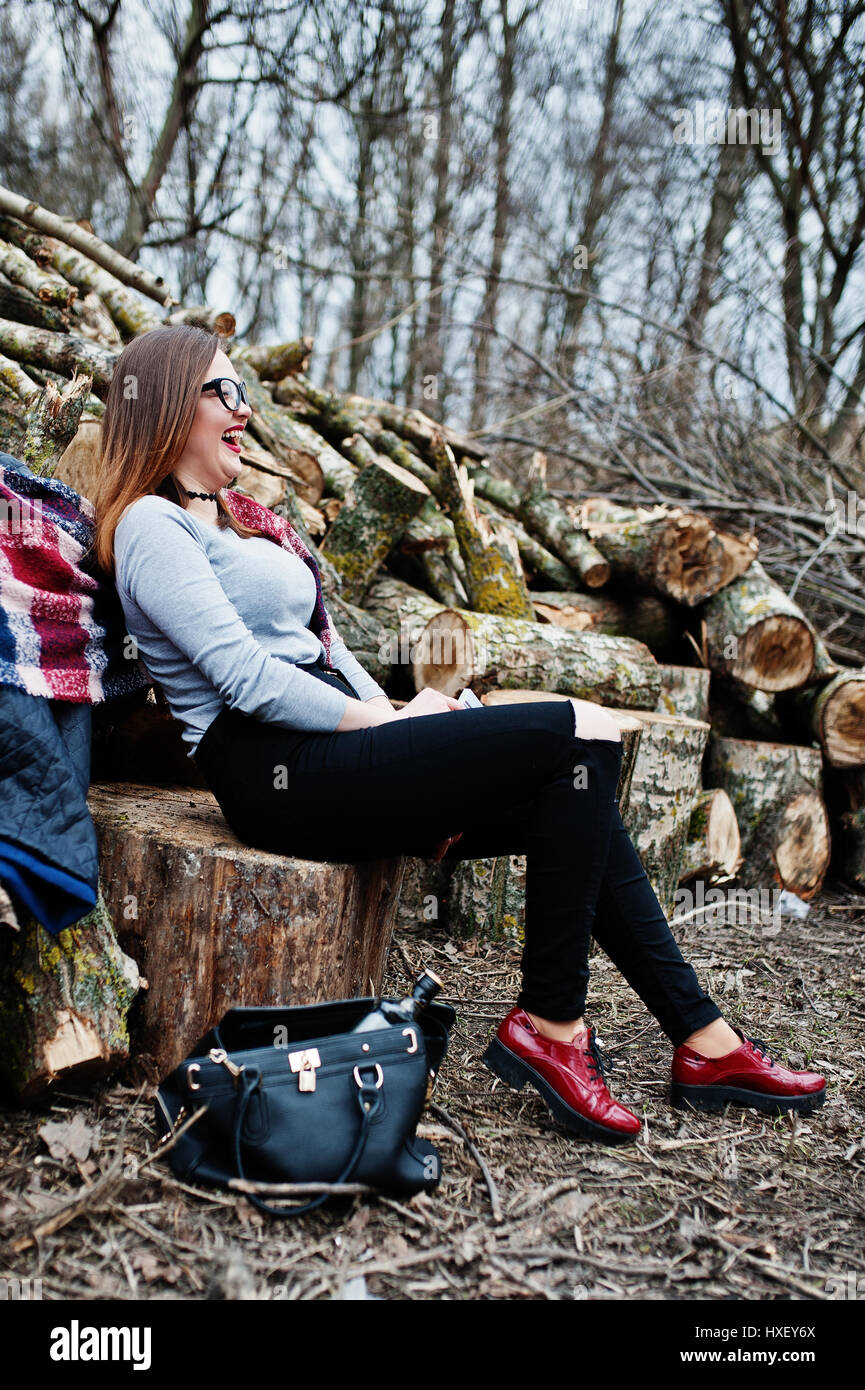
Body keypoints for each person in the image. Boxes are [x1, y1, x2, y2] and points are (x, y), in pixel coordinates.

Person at [94, 325, 826, 1147]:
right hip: (277, 772)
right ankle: (550, 1028)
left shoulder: (239, 520)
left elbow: (329, 653)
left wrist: (417, 725)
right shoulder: (154, 528)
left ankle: (703, 1042)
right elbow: (246, 679)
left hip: (335, 747)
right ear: (163, 406)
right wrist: (394, 723)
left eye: (244, 389)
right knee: (583, 732)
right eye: (223, 392)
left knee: (573, 793)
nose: (244, 408)